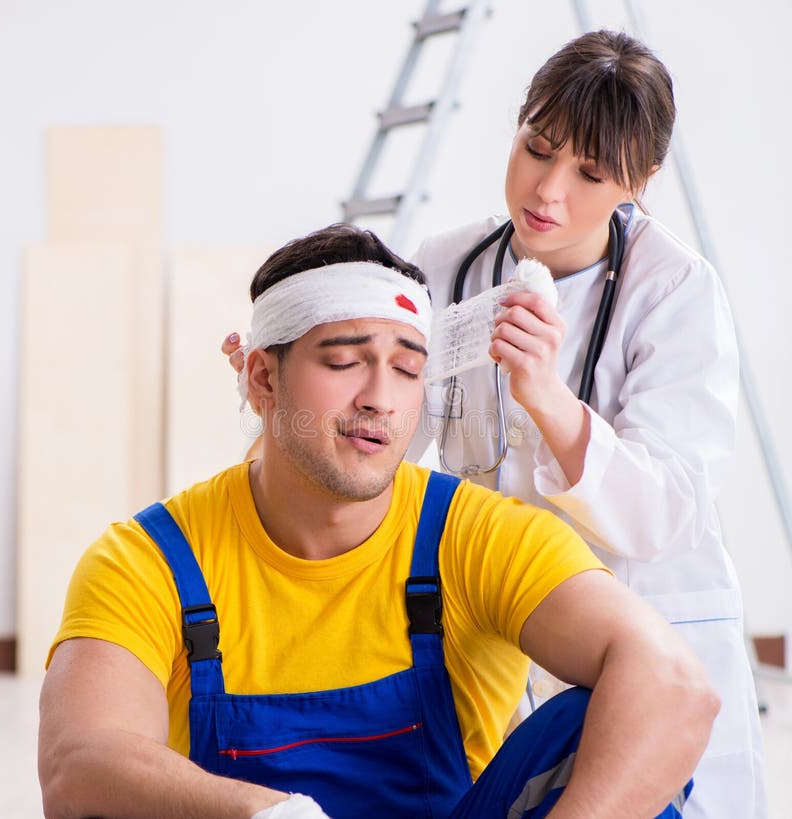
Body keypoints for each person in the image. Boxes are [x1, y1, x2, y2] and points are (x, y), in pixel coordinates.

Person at [222, 30, 765, 818]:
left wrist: (546, 398)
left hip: (639, 610)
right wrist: (277, 392)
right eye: (536, 147)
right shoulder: (447, 265)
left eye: (589, 172)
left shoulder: (675, 290)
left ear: (639, 183)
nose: (547, 189)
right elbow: (372, 442)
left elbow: (665, 511)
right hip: (494, 615)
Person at [39, 224, 718, 819]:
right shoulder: (150, 559)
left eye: (405, 369)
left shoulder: (474, 536)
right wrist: (268, 810)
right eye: (343, 361)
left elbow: (677, 687)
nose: (381, 400)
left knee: (606, 724)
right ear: (262, 379)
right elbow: (80, 758)